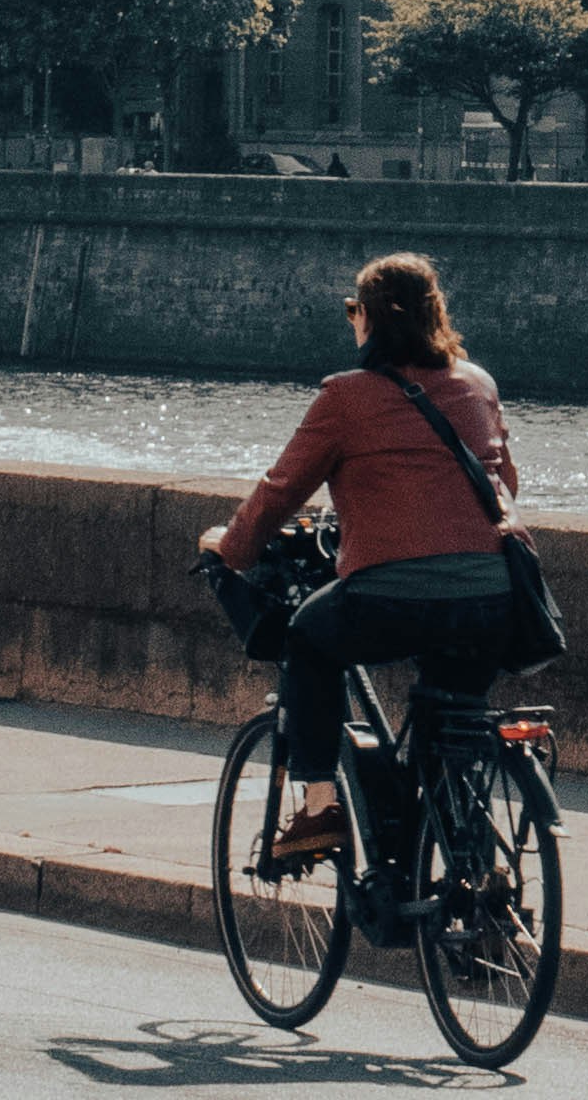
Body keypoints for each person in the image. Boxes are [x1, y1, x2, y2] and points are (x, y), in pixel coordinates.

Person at [202, 253, 522, 873]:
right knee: (450, 725)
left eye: (354, 311)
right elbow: (504, 480)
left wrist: (229, 547)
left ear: (370, 320)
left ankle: (320, 805)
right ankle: (477, 873)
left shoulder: (346, 395)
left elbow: (280, 491)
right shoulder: (477, 384)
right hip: (494, 595)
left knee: (309, 640)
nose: (351, 321)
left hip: (391, 596)